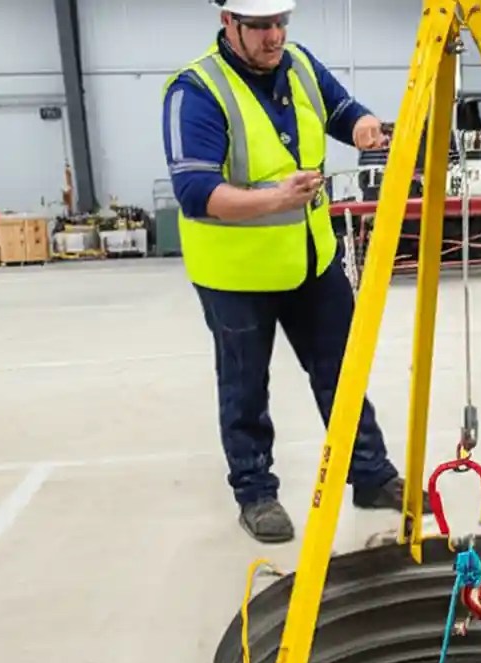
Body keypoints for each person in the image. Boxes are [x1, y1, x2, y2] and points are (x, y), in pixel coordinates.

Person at [160, 0, 429, 544]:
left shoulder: (301, 64)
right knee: (245, 388)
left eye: (281, 23)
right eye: (260, 26)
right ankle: (256, 493)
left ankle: (370, 475)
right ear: (228, 23)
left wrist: (364, 128)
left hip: (312, 260)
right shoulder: (196, 91)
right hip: (236, 274)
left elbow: (343, 110)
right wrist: (278, 198)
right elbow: (194, 194)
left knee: (342, 373)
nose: (274, 36)